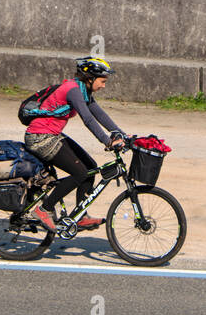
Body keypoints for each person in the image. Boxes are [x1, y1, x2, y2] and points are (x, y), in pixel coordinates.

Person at [23, 56, 128, 232]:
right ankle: (44, 209)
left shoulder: (82, 90)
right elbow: (87, 119)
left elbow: (99, 114)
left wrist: (121, 133)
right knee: (80, 173)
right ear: (90, 78)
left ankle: (80, 215)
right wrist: (107, 141)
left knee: (91, 167)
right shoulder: (72, 90)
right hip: (40, 138)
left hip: (52, 135)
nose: (104, 85)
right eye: (102, 81)